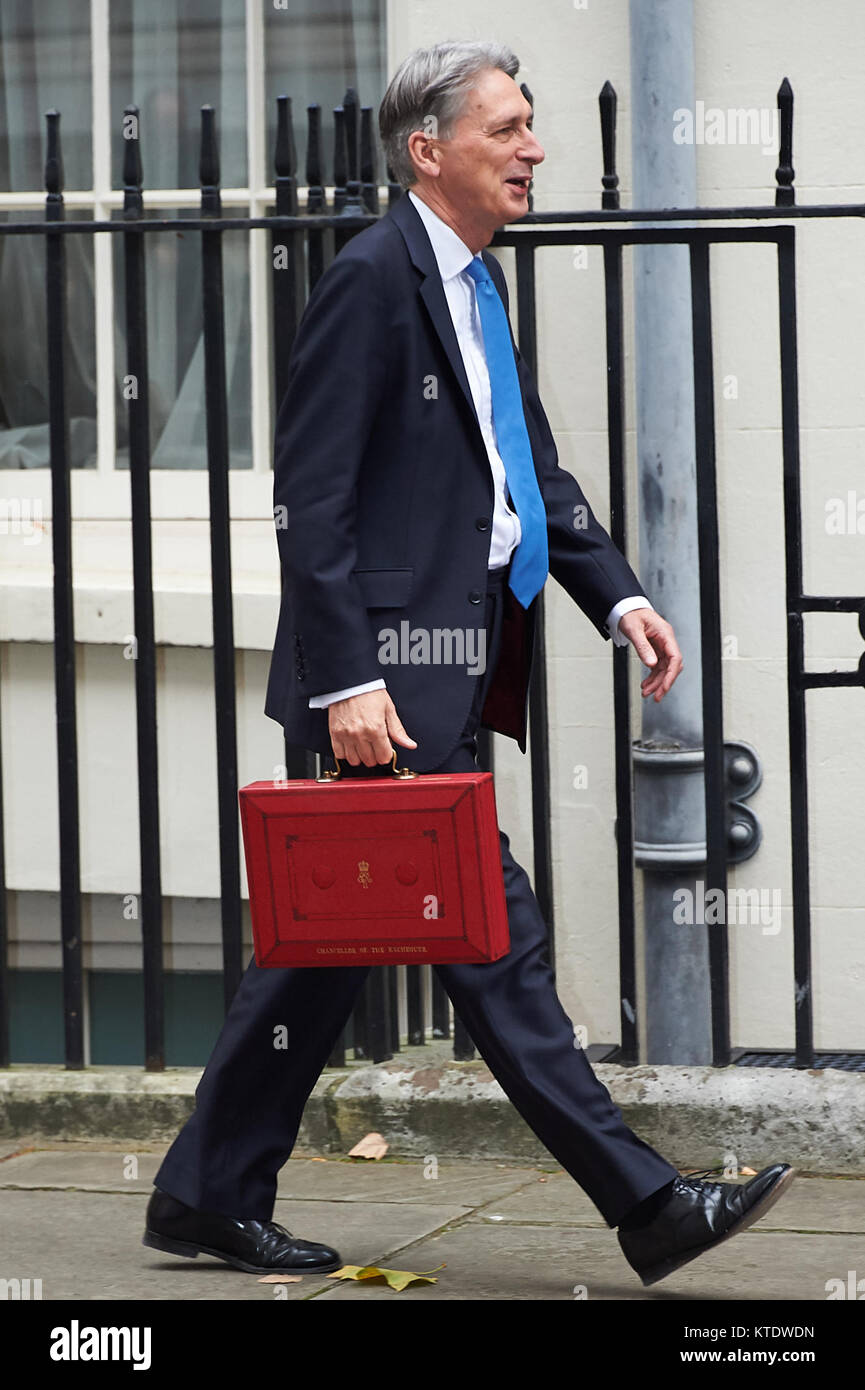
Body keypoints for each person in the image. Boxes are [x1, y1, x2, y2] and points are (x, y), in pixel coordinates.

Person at [143, 39, 793, 1289]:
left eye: (532, 126)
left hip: (440, 674)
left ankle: (202, 1197)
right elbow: (312, 496)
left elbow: (526, 473)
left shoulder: (473, 284)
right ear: (427, 150)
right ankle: (649, 1203)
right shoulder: (373, 278)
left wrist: (618, 599)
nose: (533, 148)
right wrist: (346, 684)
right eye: (506, 129)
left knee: (317, 957)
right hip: (381, 691)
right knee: (494, 945)